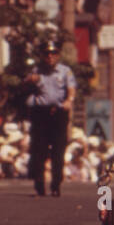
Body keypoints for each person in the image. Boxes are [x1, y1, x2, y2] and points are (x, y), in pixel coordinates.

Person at [23, 41, 76, 197]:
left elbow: (71, 89)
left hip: (58, 113)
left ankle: (56, 183)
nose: (50, 56)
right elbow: (26, 87)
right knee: (39, 149)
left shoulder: (65, 71)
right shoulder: (37, 71)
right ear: (43, 56)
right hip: (41, 113)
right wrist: (29, 81)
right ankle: (39, 183)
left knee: (58, 150)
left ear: (58, 55)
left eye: (53, 53)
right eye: (47, 53)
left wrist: (69, 101)